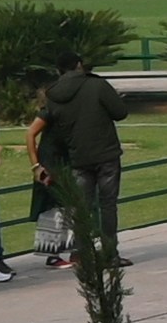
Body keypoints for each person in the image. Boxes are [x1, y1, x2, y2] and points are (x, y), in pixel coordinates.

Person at [35, 51, 124, 270]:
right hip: (106, 153)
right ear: (79, 65)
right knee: (108, 205)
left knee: (82, 208)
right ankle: (110, 254)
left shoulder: (53, 94)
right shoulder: (97, 85)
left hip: (77, 156)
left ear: (58, 70)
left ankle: (83, 255)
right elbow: (120, 112)